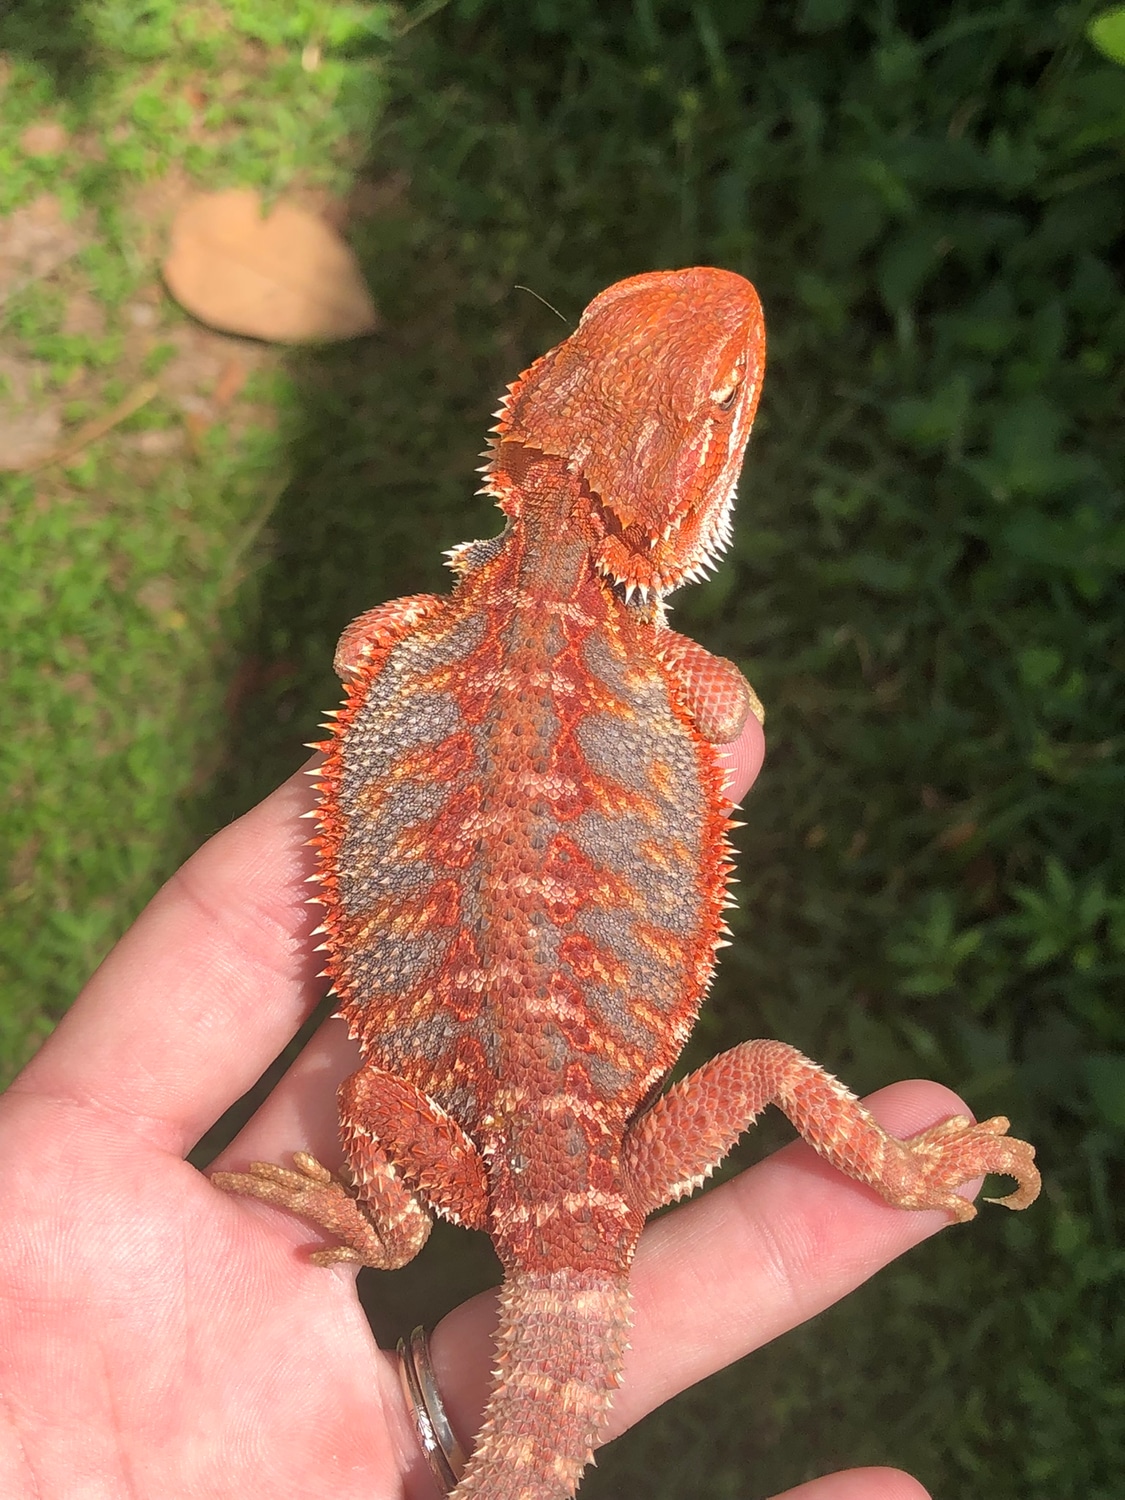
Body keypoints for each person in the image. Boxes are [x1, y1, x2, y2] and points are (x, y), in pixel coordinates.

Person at [0, 725, 952, 1499]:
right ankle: (901, 1174)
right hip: (581, 1166)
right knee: (763, 1067)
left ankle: (392, 1229)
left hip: (533, 1169)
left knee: (375, 1095)